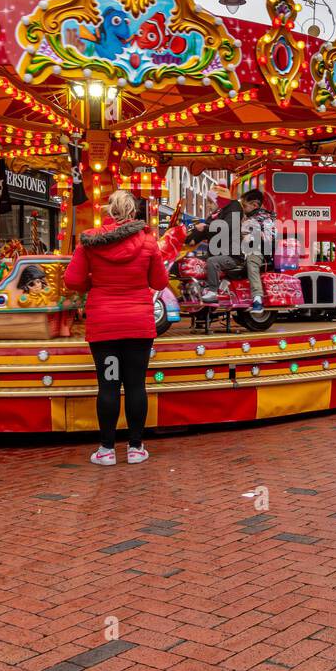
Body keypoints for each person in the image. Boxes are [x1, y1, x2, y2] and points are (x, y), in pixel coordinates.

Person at [65, 189, 169, 466]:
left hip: (105, 327)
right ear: (134, 213)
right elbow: (159, 282)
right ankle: (136, 447)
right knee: (136, 384)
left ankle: (106, 450)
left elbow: (71, 280)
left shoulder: (90, 241)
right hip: (138, 326)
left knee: (108, 385)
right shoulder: (148, 243)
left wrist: (93, 283)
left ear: (109, 212)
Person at [187, 188, 266, 310]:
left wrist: (251, 235)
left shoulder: (259, 217)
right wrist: (189, 236)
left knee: (252, 265)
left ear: (255, 204)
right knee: (195, 262)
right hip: (238, 249)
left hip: (250, 250)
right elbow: (205, 230)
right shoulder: (226, 215)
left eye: (244, 204)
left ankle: (257, 298)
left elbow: (230, 228)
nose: (242, 206)